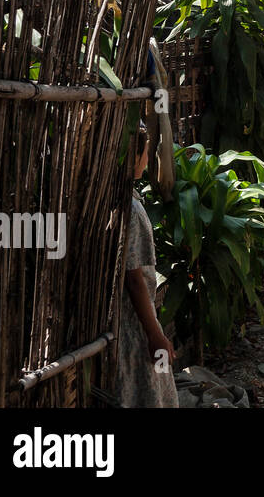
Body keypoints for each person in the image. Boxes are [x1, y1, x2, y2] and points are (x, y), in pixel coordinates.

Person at [118, 122, 178, 408]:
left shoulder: (118, 200)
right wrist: (155, 334)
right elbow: (133, 277)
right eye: (145, 150)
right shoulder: (130, 210)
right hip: (134, 324)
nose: (148, 156)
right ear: (135, 156)